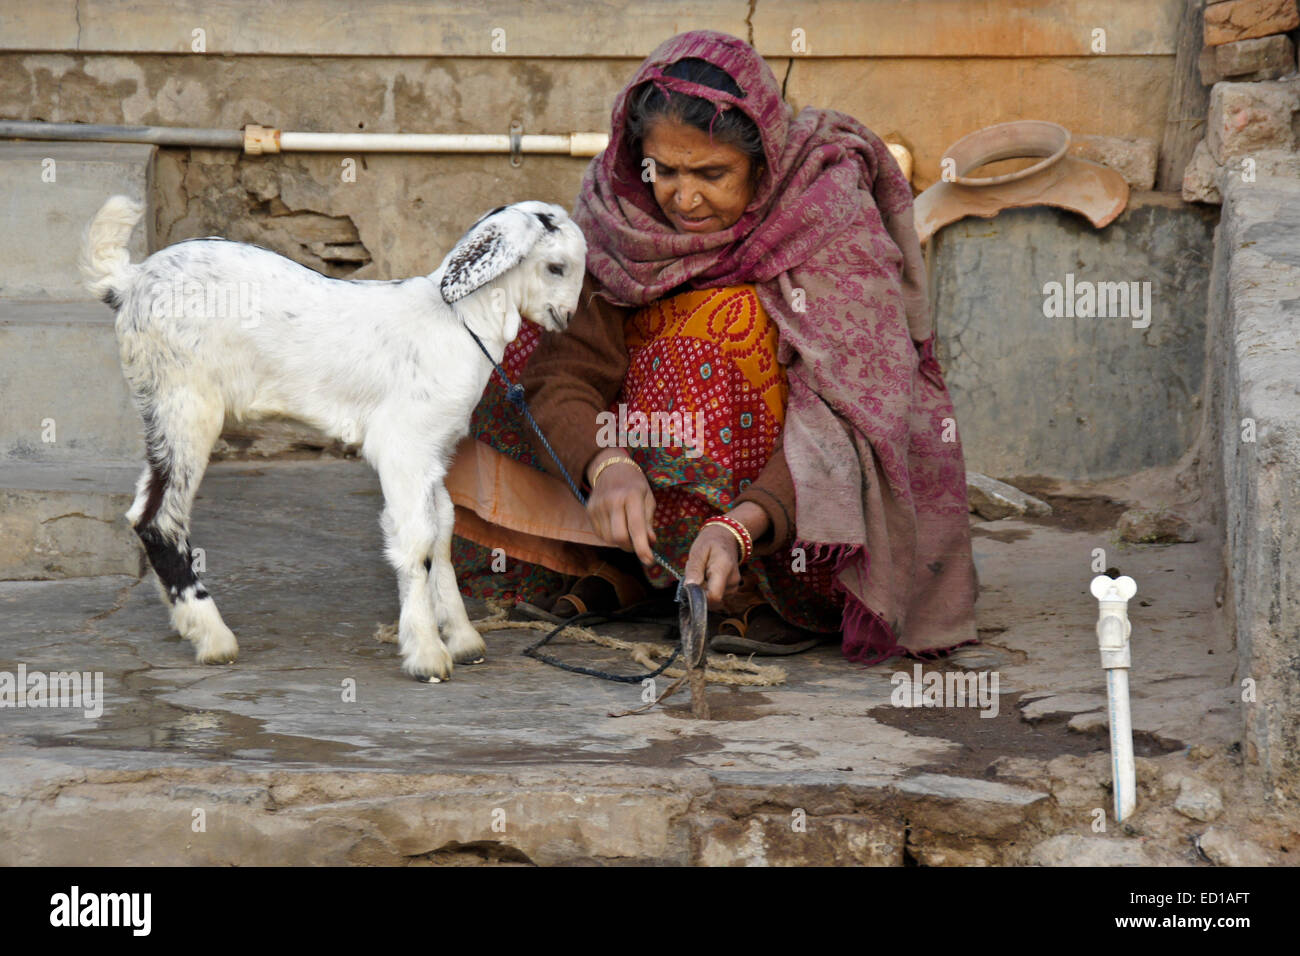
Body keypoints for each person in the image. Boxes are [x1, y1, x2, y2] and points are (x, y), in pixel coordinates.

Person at [445, 29, 977, 663]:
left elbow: (853, 416)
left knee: (718, 327)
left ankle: (755, 586)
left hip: (797, 520)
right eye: (663, 170)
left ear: (763, 161)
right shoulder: (619, 213)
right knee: (511, 311)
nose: (684, 197)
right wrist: (604, 464)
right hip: (650, 465)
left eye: (712, 174)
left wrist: (743, 525)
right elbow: (566, 371)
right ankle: (637, 561)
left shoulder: (827, 213)